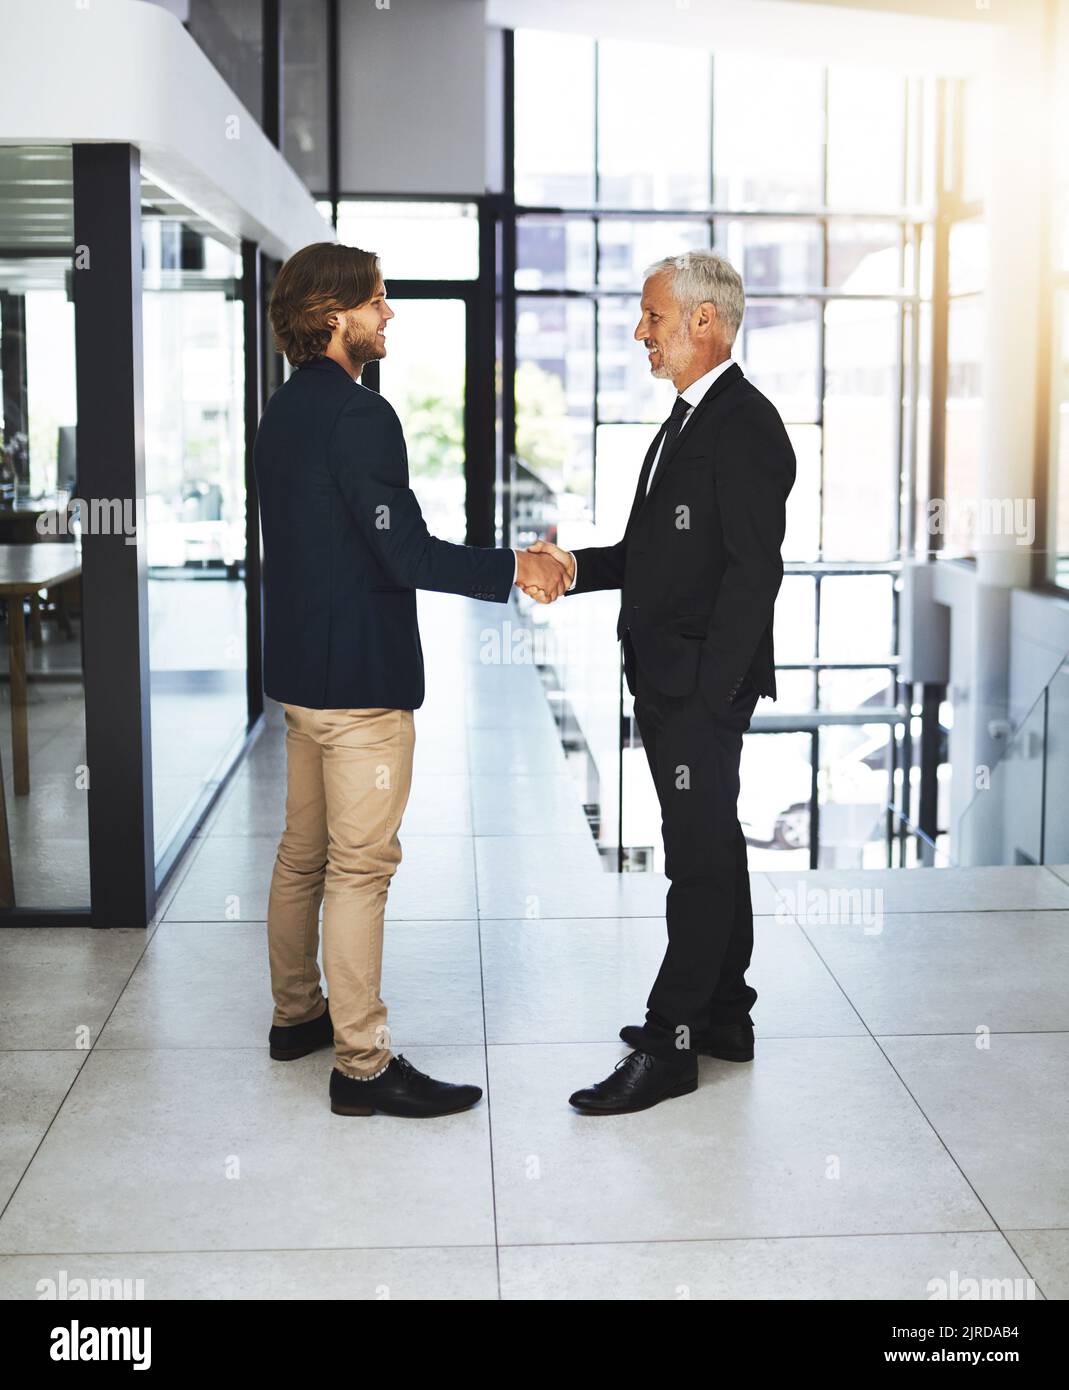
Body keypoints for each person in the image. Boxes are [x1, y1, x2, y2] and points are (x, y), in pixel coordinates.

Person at [254, 242, 566, 1118]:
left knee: (300, 855)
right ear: (331, 314)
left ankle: (295, 1017)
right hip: (358, 687)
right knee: (359, 868)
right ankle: (360, 1064)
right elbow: (406, 550)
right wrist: (518, 567)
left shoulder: (281, 410)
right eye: (377, 302)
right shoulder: (361, 414)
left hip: (302, 680)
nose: (388, 315)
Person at [524, 250, 796, 1115]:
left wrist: (712, 692)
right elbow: (658, 556)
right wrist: (572, 566)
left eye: (652, 317)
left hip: (698, 687)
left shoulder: (744, 425)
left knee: (696, 860)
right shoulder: (687, 418)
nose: (639, 332)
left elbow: (755, 571)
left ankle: (671, 1041)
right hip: (674, 676)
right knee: (711, 845)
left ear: (703, 322)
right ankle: (724, 1015)